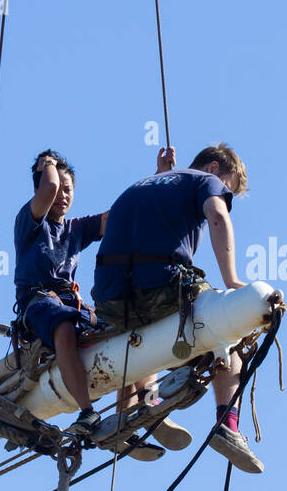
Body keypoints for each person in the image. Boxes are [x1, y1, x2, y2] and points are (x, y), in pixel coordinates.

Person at [89, 143, 263, 472]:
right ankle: (229, 425)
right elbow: (217, 216)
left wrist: (163, 172)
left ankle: (140, 409)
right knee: (228, 337)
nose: (226, 194)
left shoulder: (144, 183)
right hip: (157, 286)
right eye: (229, 187)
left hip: (110, 298)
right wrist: (232, 280)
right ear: (213, 168)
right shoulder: (206, 181)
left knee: (139, 342)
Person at [12, 147, 175, 446]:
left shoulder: (76, 229)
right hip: (38, 304)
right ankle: (87, 412)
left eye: (68, 190)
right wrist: (47, 162)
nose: (62, 195)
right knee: (63, 326)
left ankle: (141, 409)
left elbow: (123, 215)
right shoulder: (30, 222)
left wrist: (160, 177)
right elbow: (47, 187)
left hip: (71, 305)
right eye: (58, 189)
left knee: (129, 328)